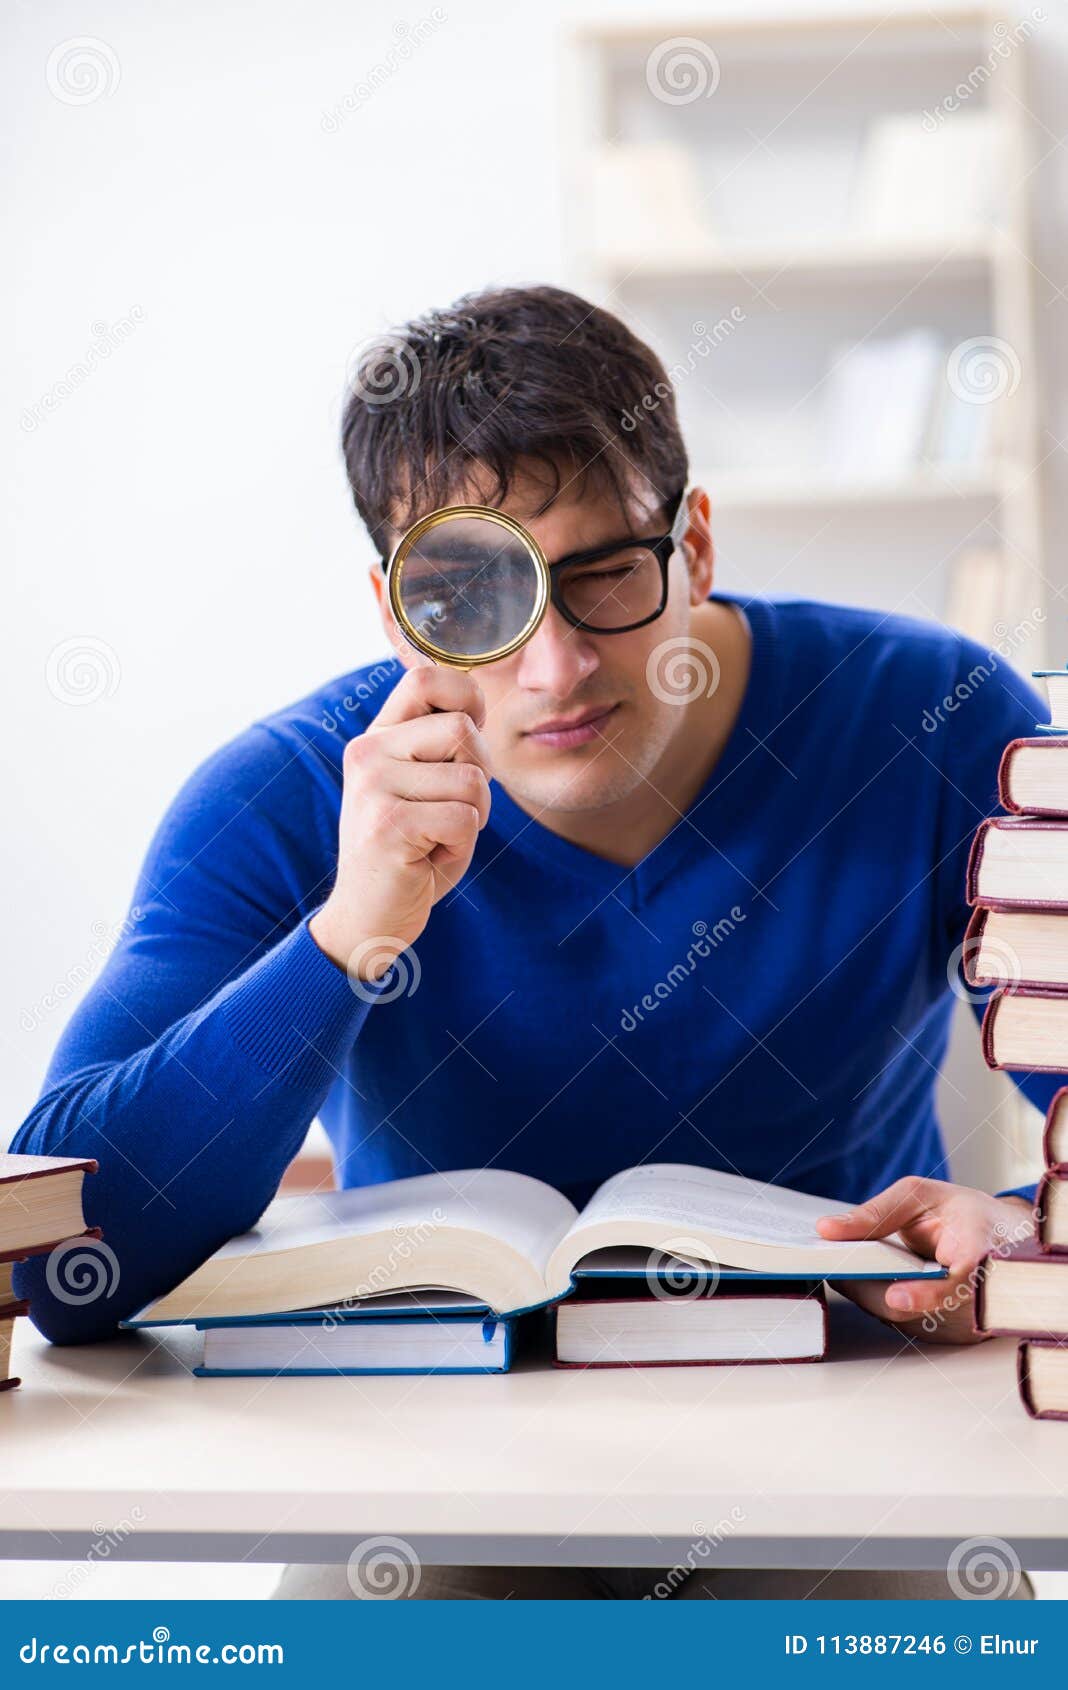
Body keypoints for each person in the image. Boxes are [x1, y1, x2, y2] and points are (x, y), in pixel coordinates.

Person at [10, 285, 1047, 1600]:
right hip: (426, 1453)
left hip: (851, 1419)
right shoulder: (286, 795)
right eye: (469, 600)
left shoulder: (940, 719)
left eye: (604, 575)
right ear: (393, 611)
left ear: (695, 545)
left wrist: (1023, 1227)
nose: (554, 669)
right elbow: (69, 1270)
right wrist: (348, 933)